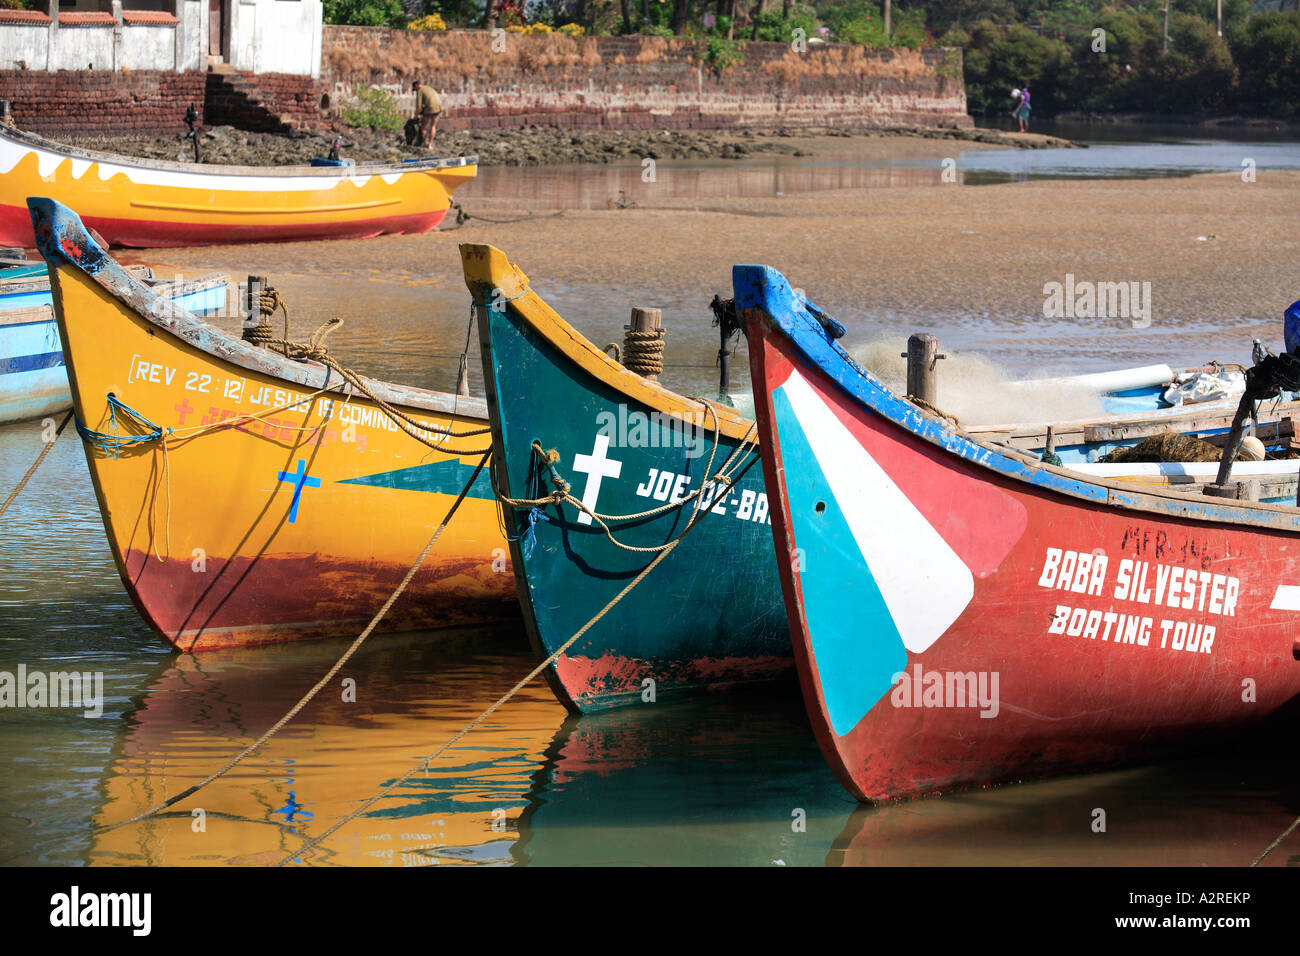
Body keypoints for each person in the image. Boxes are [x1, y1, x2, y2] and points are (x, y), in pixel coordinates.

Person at [412, 80, 442, 148]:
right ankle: (430, 145)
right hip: (438, 107)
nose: (415, 91)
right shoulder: (428, 88)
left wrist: (415, 117)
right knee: (433, 126)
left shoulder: (420, 91)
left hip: (429, 107)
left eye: (415, 89)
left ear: (416, 86)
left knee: (424, 125)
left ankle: (424, 143)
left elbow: (418, 106)